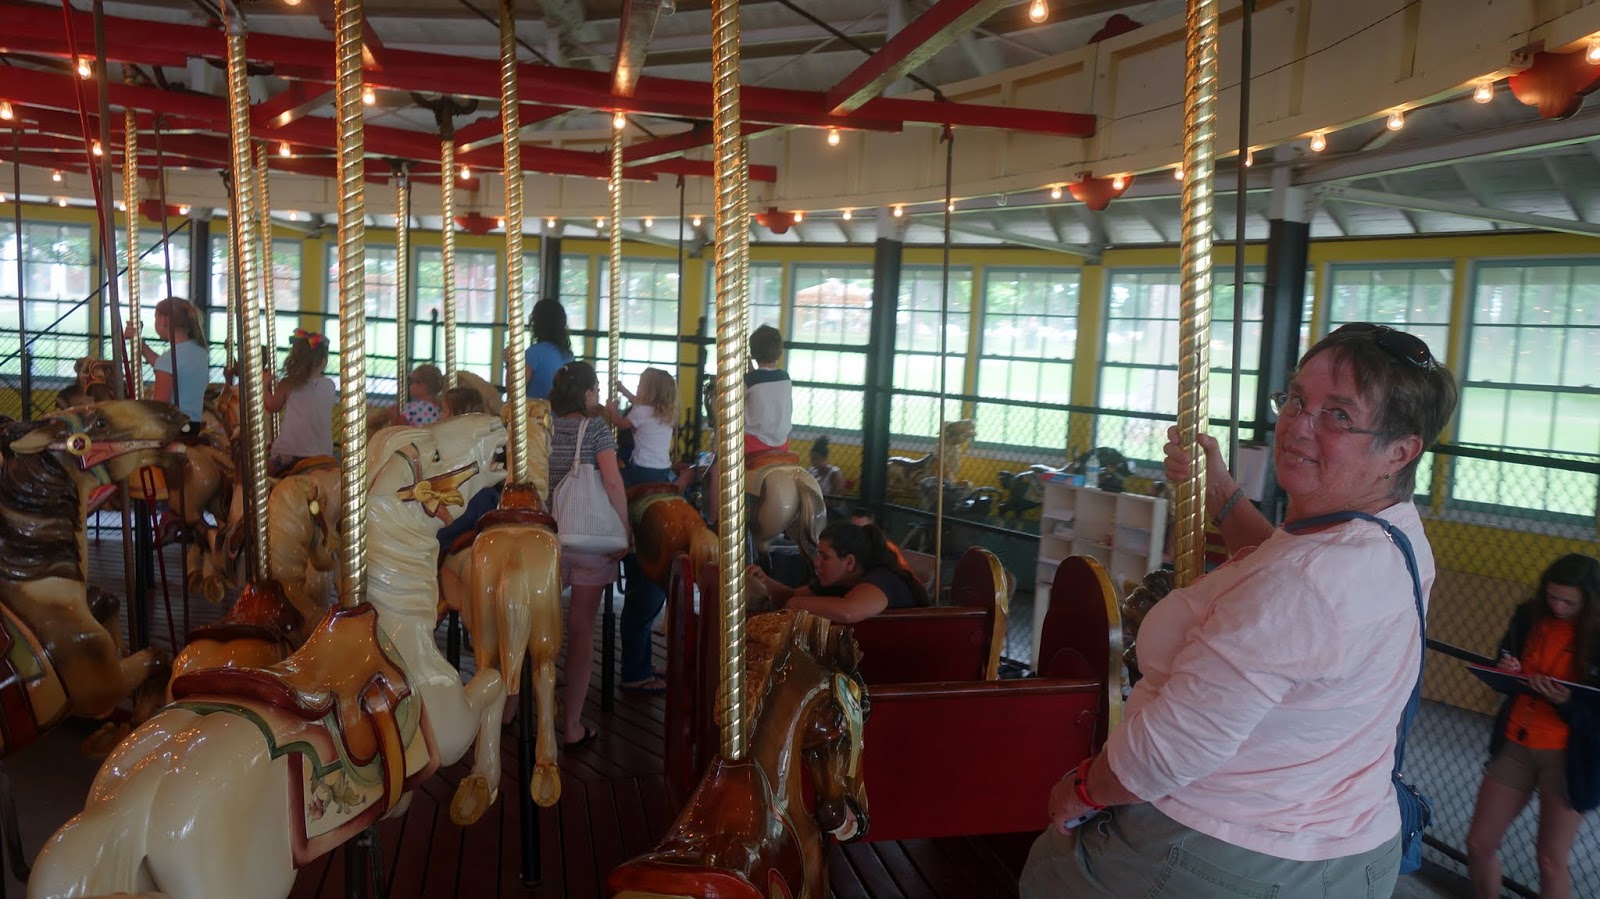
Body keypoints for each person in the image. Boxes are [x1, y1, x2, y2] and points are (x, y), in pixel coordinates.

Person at [1020, 322, 1459, 899]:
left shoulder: (1304, 582)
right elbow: (1281, 572)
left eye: (1338, 415)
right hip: (1350, 842)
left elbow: (1169, 750)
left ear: (1399, 451)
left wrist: (1082, 789)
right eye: (1296, 399)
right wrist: (1223, 493)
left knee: (1047, 872)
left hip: (1224, 850)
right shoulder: (1392, 535)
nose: (1299, 424)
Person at [1466, 553, 1600, 899]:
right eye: (1552, 596)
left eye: (1569, 602)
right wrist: (1507, 668)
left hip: (1569, 755)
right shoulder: (1529, 615)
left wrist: (1567, 703)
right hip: (1517, 739)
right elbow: (1505, 656)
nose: (1558, 606)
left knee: (1551, 860)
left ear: (1589, 601)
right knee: (1479, 843)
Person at [548, 362, 631, 749]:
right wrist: (624, 528)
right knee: (581, 630)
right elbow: (612, 481)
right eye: (595, 389)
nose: (598, 395)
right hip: (588, 540)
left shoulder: (542, 427)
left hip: (547, 540)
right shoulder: (596, 429)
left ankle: (513, 709)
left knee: (533, 626)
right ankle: (572, 726)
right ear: (585, 394)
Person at [748, 521, 929, 624]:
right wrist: (765, 581)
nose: (817, 562)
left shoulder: (883, 579)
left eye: (825, 557)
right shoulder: (837, 582)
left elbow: (849, 611)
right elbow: (791, 595)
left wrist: (795, 604)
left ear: (849, 562)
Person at [264, 328, 335, 476]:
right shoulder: (330, 385)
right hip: (323, 454)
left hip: (289, 452)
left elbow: (271, 406)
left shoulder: (288, 383)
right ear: (323, 362)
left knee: (260, 475)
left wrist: (264, 386)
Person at [125, 296, 209, 421]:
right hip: (193, 425)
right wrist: (139, 342)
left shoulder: (168, 359)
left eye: (155, 317)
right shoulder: (200, 352)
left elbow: (160, 407)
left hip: (175, 428)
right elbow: (170, 367)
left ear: (164, 320)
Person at [602, 367, 678, 487]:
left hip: (642, 469)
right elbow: (637, 401)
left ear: (649, 392)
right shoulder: (667, 413)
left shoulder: (641, 411)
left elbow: (620, 424)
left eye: (640, 385)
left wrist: (612, 410)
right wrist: (623, 390)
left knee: (610, 480)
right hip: (663, 470)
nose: (637, 387)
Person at [745, 324, 793, 453]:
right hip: (782, 444)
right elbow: (764, 381)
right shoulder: (785, 378)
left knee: (722, 446)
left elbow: (757, 381)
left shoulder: (750, 380)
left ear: (752, 354)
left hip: (753, 443)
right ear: (780, 353)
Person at [525, 299, 575, 400]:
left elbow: (513, 392)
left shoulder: (534, 353)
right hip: (562, 409)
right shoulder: (568, 355)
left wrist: (510, 363)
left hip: (536, 409)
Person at [808, 435, 846, 521]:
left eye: (816, 459)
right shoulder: (811, 471)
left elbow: (835, 502)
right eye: (811, 458)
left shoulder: (834, 474)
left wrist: (812, 503)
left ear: (825, 458)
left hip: (834, 511)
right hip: (816, 508)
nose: (813, 462)